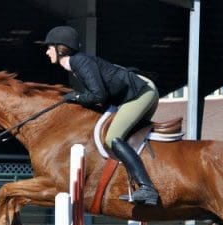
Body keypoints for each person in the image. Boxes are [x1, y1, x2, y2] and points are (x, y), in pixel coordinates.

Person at [40, 25, 160, 206]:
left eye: (49, 47)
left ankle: (147, 188)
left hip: (141, 93)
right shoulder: (76, 63)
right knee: (124, 137)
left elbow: (98, 95)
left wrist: (76, 97)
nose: (47, 52)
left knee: (113, 137)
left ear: (60, 48)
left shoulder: (78, 62)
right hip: (134, 93)